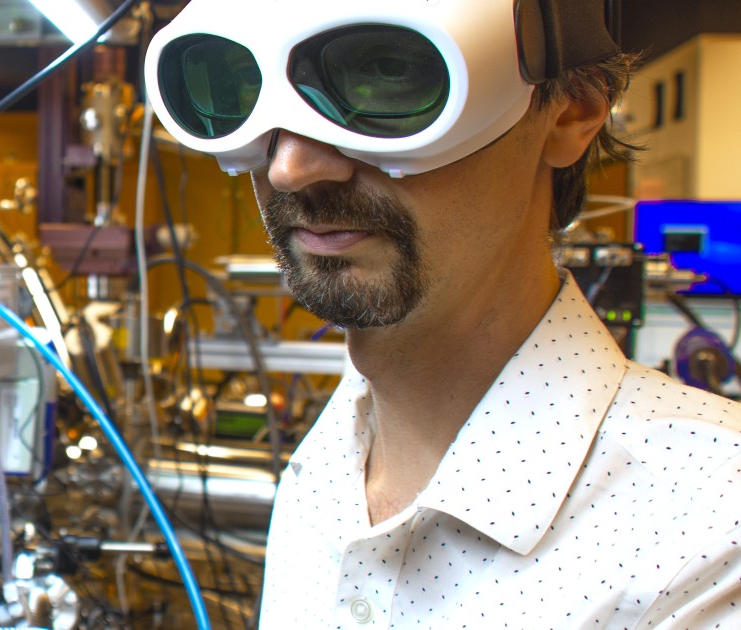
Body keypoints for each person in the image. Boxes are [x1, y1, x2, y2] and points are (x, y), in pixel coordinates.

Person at [145, 0, 741, 626]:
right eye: (244, 83)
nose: (290, 169)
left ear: (571, 110)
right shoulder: (327, 461)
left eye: (389, 71)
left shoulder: (707, 532)